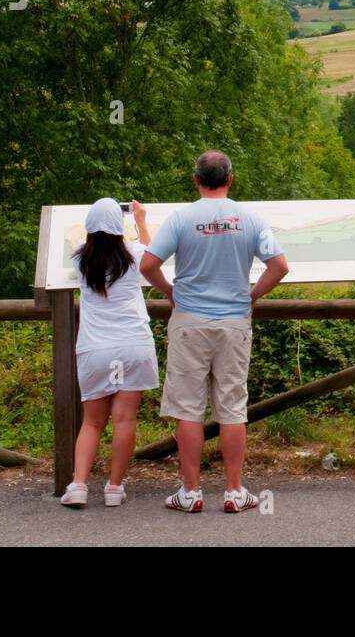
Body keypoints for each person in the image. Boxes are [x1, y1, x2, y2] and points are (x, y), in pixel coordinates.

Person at [140, 150, 289, 514]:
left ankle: (191, 492)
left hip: (189, 322)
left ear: (196, 180)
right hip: (234, 322)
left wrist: (170, 291)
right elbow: (279, 266)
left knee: (188, 409)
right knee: (233, 407)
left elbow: (148, 264)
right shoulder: (250, 219)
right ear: (230, 179)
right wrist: (252, 295)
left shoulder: (181, 218)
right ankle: (234, 491)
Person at [60, 198, 160, 508]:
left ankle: (78, 485)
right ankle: (114, 488)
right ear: (119, 226)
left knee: (92, 423)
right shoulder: (134, 255)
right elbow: (151, 253)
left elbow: (88, 243)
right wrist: (140, 221)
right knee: (124, 420)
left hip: (96, 348)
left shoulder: (79, 260)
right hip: (133, 344)